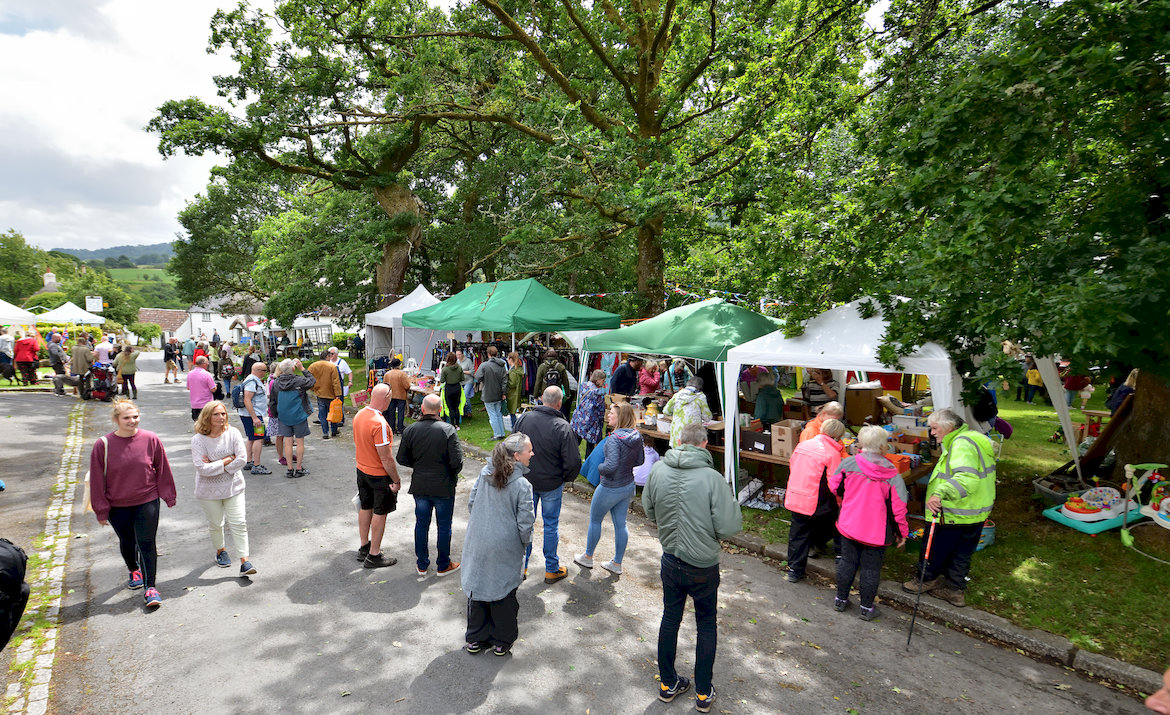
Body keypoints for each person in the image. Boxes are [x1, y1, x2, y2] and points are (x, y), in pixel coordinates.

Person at [642, 421, 742, 712]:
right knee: (706, 624)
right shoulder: (712, 478)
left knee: (670, 618)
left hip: (671, 558)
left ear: (680, 441)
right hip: (702, 564)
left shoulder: (660, 469)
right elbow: (728, 525)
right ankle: (702, 691)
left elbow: (649, 509)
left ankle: (668, 683)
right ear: (704, 445)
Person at [902, 408, 995, 608]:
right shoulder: (972, 438)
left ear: (949, 427)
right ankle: (955, 591)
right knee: (962, 551)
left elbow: (966, 478)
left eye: (935, 428)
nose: (932, 433)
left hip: (954, 510)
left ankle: (926, 580)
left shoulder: (961, 445)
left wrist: (939, 493)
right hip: (975, 511)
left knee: (934, 547)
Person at [89, 399, 177, 609]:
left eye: (135, 417)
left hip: (146, 499)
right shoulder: (103, 444)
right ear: (116, 420)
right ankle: (133, 569)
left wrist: (168, 495)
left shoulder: (150, 439)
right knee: (128, 541)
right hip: (117, 504)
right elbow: (96, 479)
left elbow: (162, 468)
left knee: (146, 542)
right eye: (126, 418)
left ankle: (150, 587)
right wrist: (101, 509)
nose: (132, 421)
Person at [461, 433, 536, 656]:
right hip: (506, 544)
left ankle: (475, 638)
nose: (532, 454)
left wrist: (482, 525)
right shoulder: (522, 485)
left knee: (479, 586)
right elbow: (525, 523)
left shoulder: (484, 473)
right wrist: (525, 545)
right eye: (529, 450)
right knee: (503, 591)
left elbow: (472, 502)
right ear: (516, 455)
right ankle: (502, 641)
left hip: (479, 539)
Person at [827, 425, 908, 620]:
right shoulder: (893, 476)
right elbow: (899, 509)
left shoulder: (848, 464)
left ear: (861, 444)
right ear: (883, 447)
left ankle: (840, 599)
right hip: (877, 532)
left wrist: (846, 498)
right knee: (871, 569)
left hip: (849, 523)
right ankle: (866, 607)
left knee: (847, 562)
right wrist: (902, 533)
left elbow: (834, 486)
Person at [515, 386, 582, 584]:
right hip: (551, 483)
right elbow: (573, 461)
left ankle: (521, 566)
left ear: (541, 398)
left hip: (526, 480)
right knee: (550, 525)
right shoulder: (562, 426)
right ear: (559, 403)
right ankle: (551, 568)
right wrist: (565, 477)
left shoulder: (525, 418)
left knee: (524, 523)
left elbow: (512, 446)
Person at [397, 393, 464, 576]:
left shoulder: (411, 430)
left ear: (423, 409)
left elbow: (401, 458)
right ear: (440, 409)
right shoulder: (448, 430)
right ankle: (443, 564)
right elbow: (456, 461)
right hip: (443, 485)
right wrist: (449, 472)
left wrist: (418, 464)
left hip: (421, 484)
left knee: (421, 524)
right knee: (444, 526)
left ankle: (422, 564)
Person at [575, 402, 643, 575]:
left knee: (595, 520)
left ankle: (588, 557)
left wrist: (599, 468)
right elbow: (639, 461)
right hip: (627, 485)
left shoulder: (614, 439)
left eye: (612, 413)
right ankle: (617, 563)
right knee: (621, 524)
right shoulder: (636, 436)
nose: (608, 416)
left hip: (610, 486)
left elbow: (610, 466)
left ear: (621, 417)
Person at [191, 401, 256, 576]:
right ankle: (221, 550)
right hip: (208, 491)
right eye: (216, 414)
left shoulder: (233, 433)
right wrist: (227, 460)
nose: (221, 417)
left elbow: (242, 459)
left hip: (234, 486)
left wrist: (217, 466)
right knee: (216, 524)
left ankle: (245, 561)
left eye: (223, 413)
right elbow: (202, 468)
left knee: (239, 522)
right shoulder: (198, 440)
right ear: (207, 417)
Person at [784, 418, 847, 583]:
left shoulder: (803, 445)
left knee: (797, 533)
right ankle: (825, 548)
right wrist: (841, 501)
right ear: (838, 436)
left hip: (797, 493)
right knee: (831, 521)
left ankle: (794, 570)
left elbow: (793, 464)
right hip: (815, 499)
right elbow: (835, 483)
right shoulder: (832, 453)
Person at [352, 384, 402, 568]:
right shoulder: (379, 423)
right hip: (378, 475)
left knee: (365, 507)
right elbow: (386, 458)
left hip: (362, 469)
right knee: (380, 512)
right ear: (387, 397)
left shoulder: (360, 415)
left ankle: (364, 546)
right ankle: (374, 555)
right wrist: (396, 479)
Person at [269, 358, 317, 478]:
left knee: (288, 442)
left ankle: (290, 469)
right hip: (299, 415)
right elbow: (312, 381)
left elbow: (273, 401)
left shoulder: (276, 383)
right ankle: (299, 468)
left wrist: (275, 415)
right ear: (293, 368)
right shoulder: (299, 381)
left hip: (284, 416)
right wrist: (302, 368)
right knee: (300, 442)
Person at [238, 362, 272, 474]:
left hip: (249, 415)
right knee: (259, 438)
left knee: (251, 438)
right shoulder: (252, 382)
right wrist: (255, 418)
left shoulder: (250, 379)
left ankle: (249, 462)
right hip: (253, 415)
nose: (265, 373)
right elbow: (247, 399)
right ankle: (256, 465)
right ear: (258, 370)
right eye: (264, 371)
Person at [662, 376, 713, 449]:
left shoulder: (677, 395)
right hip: (693, 435)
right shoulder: (700, 397)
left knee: (678, 457)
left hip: (677, 434)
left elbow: (666, 411)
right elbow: (707, 418)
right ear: (700, 387)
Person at [570, 370, 608, 458]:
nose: (604, 382)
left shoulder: (583, 386)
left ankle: (570, 460)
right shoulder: (598, 394)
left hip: (579, 418)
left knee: (575, 443)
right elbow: (601, 411)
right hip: (591, 422)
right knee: (591, 445)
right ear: (598, 380)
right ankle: (588, 464)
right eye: (603, 380)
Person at [474, 345, 510, 440]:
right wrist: (503, 393)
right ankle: (501, 433)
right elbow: (505, 381)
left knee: (493, 415)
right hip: (499, 393)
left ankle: (497, 434)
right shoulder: (502, 365)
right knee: (498, 413)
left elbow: (477, 377)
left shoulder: (484, 365)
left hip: (488, 393)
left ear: (488, 354)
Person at [308, 349, 344, 439]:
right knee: (333, 412)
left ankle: (325, 432)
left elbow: (308, 378)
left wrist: (313, 388)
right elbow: (336, 382)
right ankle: (334, 430)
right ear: (327, 357)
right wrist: (338, 394)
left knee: (322, 414)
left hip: (320, 393)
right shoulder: (332, 367)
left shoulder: (313, 366)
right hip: (331, 393)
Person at [381, 357, 411, 434]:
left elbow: (385, 385)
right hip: (401, 395)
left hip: (391, 395)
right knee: (401, 412)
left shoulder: (387, 374)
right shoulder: (402, 374)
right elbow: (407, 386)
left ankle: (392, 427)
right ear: (399, 365)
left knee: (391, 412)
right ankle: (400, 428)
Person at [186, 356, 217, 421]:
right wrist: (215, 386)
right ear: (203, 364)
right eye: (207, 363)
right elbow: (213, 389)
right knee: (207, 425)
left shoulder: (190, 374)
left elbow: (188, 387)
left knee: (197, 424)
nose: (208, 364)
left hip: (195, 404)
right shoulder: (207, 374)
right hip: (206, 404)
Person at [439, 352, 465, 429]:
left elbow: (442, 380)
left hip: (449, 388)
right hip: (457, 387)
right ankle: (457, 424)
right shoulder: (459, 368)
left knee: (450, 408)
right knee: (457, 406)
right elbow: (462, 378)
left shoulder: (445, 369)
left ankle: (452, 424)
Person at [505, 351, 525, 429]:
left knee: (512, 413)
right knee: (514, 412)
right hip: (516, 393)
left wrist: (506, 381)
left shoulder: (513, 371)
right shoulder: (518, 369)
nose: (507, 360)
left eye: (507, 358)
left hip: (512, 394)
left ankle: (514, 429)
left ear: (510, 359)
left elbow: (512, 383)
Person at [457, 349, 476, 419]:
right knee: (461, 396)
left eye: (459, 354)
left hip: (468, 381)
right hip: (460, 381)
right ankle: (464, 411)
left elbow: (472, 371)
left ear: (462, 354)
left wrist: (463, 372)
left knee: (465, 395)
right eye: (457, 355)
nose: (458, 356)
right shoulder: (457, 361)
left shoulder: (468, 361)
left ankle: (469, 411)